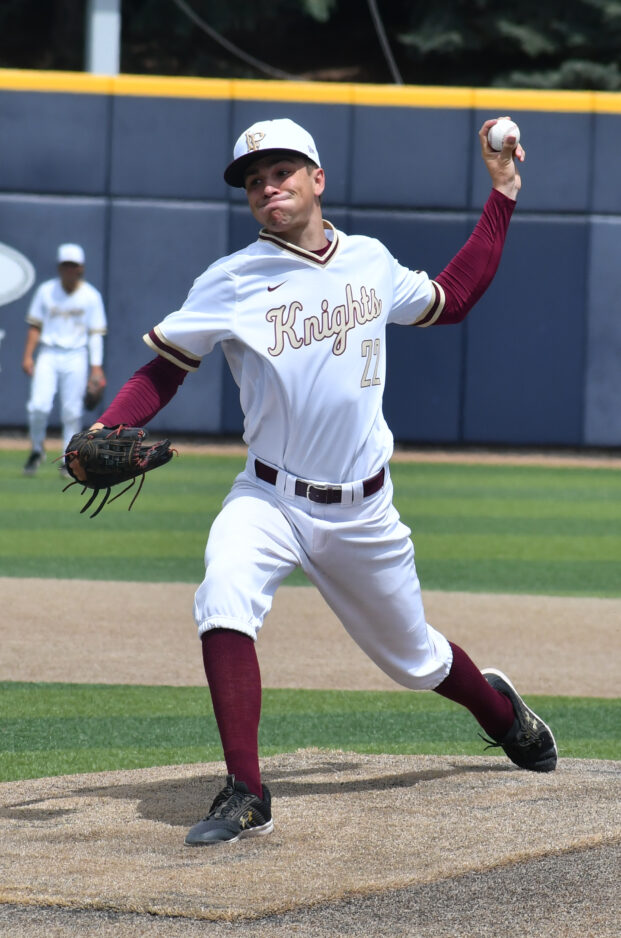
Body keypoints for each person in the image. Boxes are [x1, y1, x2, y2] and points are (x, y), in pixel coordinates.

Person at [73, 116, 557, 846]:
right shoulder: (231, 280)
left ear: (316, 179)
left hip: (363, 511)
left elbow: (451, 298)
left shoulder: (367, 260)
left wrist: (504, 195)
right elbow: (164, 369)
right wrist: (110, 426)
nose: (269, 186)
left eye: (282, 172)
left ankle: (499, 713)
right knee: (224, 596)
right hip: (267, 495)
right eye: (254, 180)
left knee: (416, 660)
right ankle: (246, 791)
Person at [22, 243, 107, 476]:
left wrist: (96, 368)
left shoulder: (91, 296)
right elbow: (35, 326)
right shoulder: (46, 291)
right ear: (60, 267)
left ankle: (68, 459)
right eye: (65, 265)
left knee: (71, 411)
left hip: (76, 355)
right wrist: (28, 355)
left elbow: (95, 334)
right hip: (49, 352)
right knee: (38, 406)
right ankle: (37, 449)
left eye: (74, 265)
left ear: (81, 268)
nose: (69, 269)